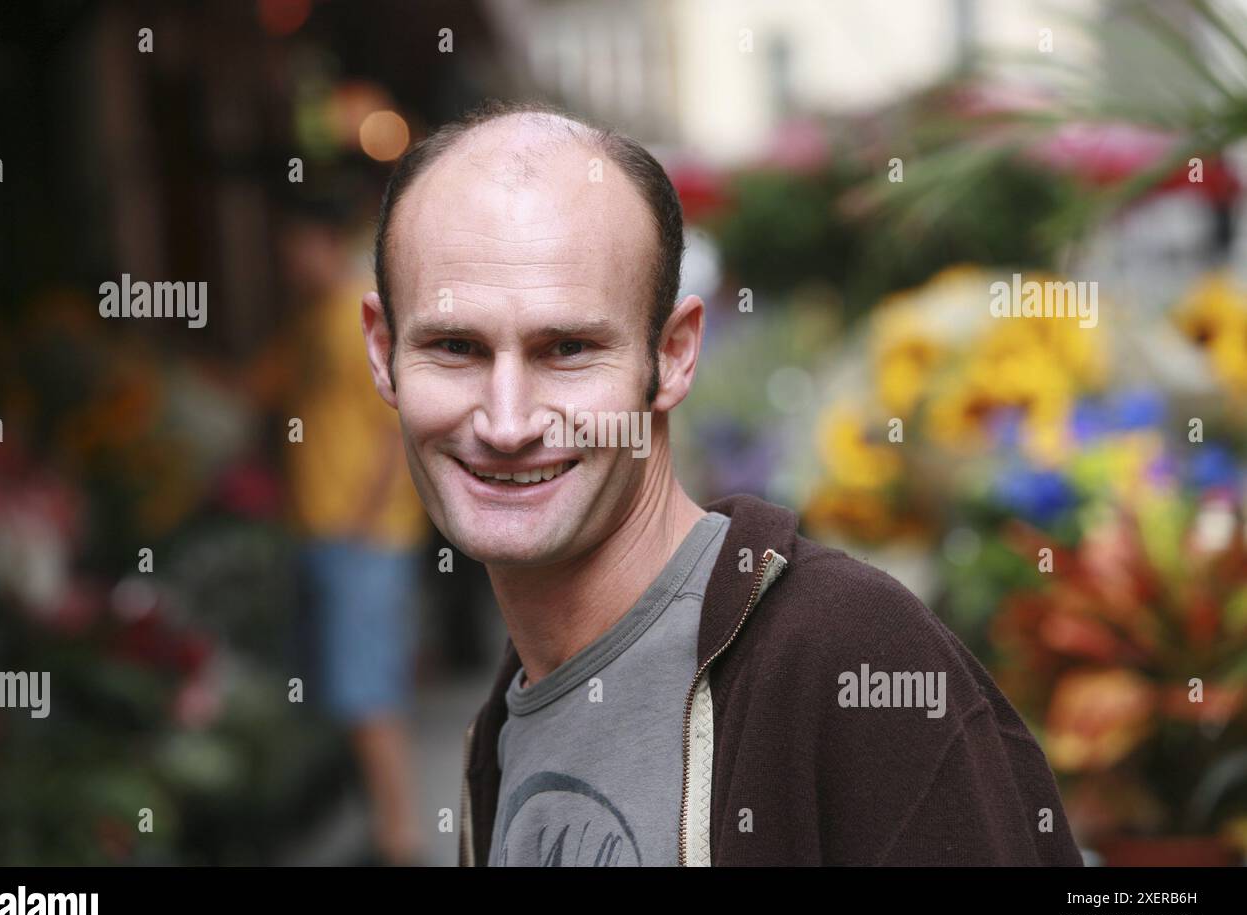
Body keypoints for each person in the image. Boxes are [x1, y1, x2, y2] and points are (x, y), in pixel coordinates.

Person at [358, 99, 1085, 866]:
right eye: (456, 347)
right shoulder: (504, 725)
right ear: (382, 352)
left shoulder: (852, 659)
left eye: (567, 348)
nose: (507, 423)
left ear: (673, 356)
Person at [274, 190, 431, 866]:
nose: (286, 263)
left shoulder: (354, 314)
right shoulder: (314, 318)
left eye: (292, 247)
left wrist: (362, 521)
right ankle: (385, 830)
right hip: (332, 536)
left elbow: (398, 423)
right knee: (352, 688)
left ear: (324, 241)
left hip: (364, 539)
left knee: (367, 692)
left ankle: (400, 840)